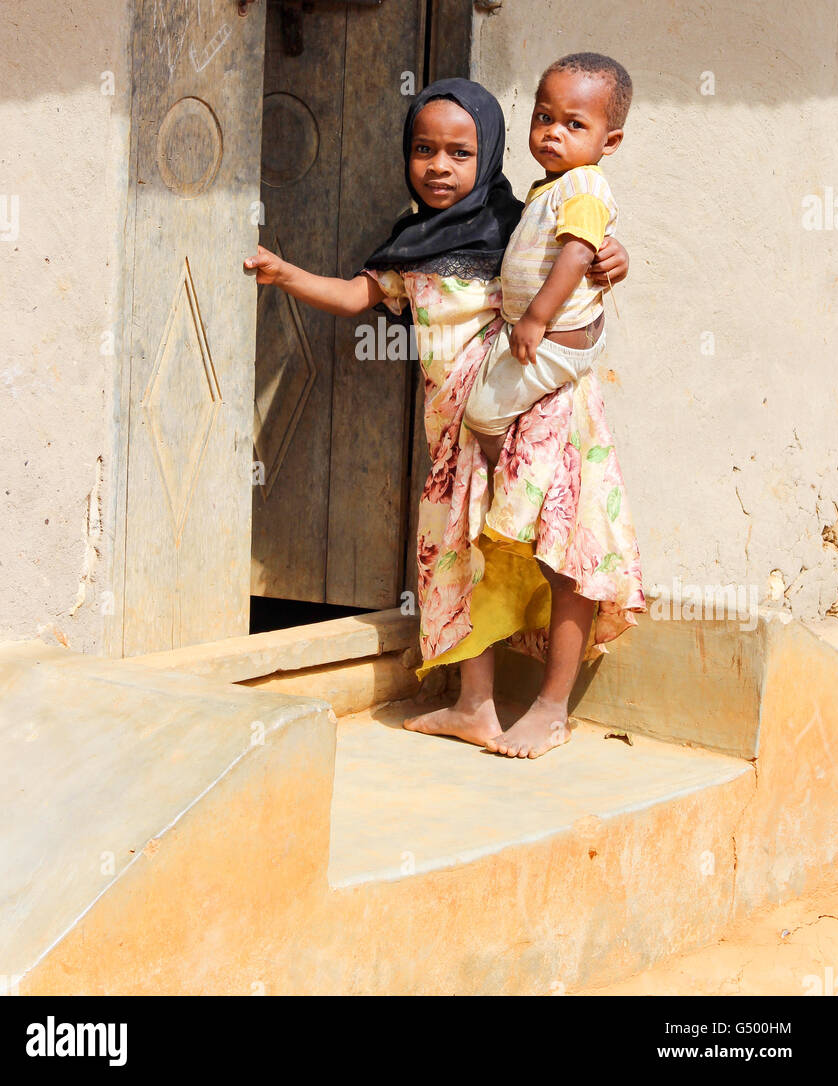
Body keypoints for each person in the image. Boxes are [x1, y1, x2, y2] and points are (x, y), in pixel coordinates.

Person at [244, 79, 643, 759]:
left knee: (562, 549)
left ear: (486, 157)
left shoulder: (520, 222)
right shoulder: (411, 241)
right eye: (424, 149)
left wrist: (615, 257)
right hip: (458, 430)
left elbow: (579, 250)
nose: (438, 165)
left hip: (539, 416)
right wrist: (286, 275)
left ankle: (551, 707)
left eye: (460, 152)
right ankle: (474, 706)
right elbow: (353, 295)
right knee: (461, 555)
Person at [464, 52, 631, 470]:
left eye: (574, 124)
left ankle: (519, 484)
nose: (553, 133)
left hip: (554, 334)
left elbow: (578, 253)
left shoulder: (584, 185)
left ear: (609, 141)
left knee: (484, 417)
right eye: (543, 118)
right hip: (545, 332)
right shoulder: (556, 186)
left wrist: (536, 318)